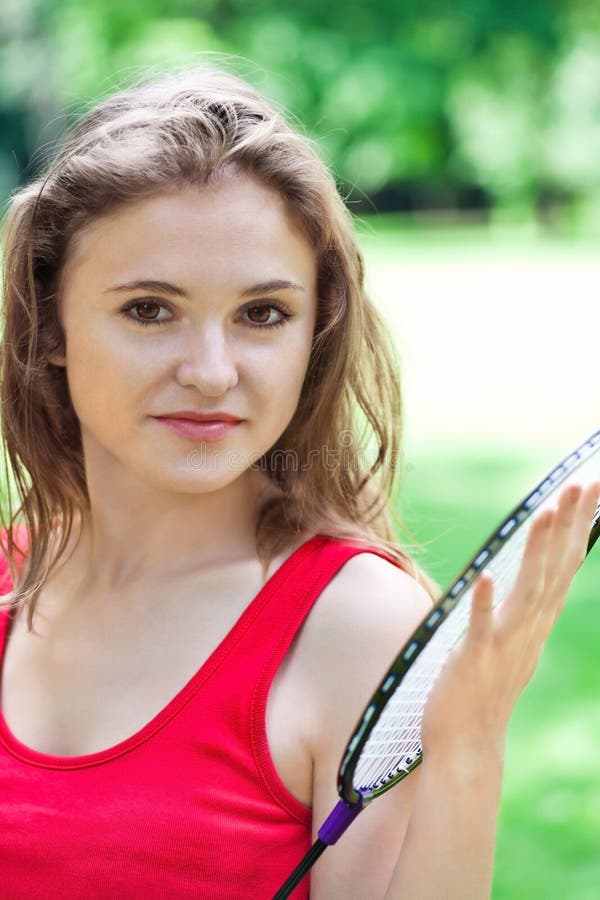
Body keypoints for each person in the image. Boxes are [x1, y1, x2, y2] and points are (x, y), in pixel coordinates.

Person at [0, 60, 597, 900]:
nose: (211, 372)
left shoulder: (355, 626)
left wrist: (467, 748)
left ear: (313, 334)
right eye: (149, 310)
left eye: (262, 314)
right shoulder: (11, 572)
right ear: (51, 321)